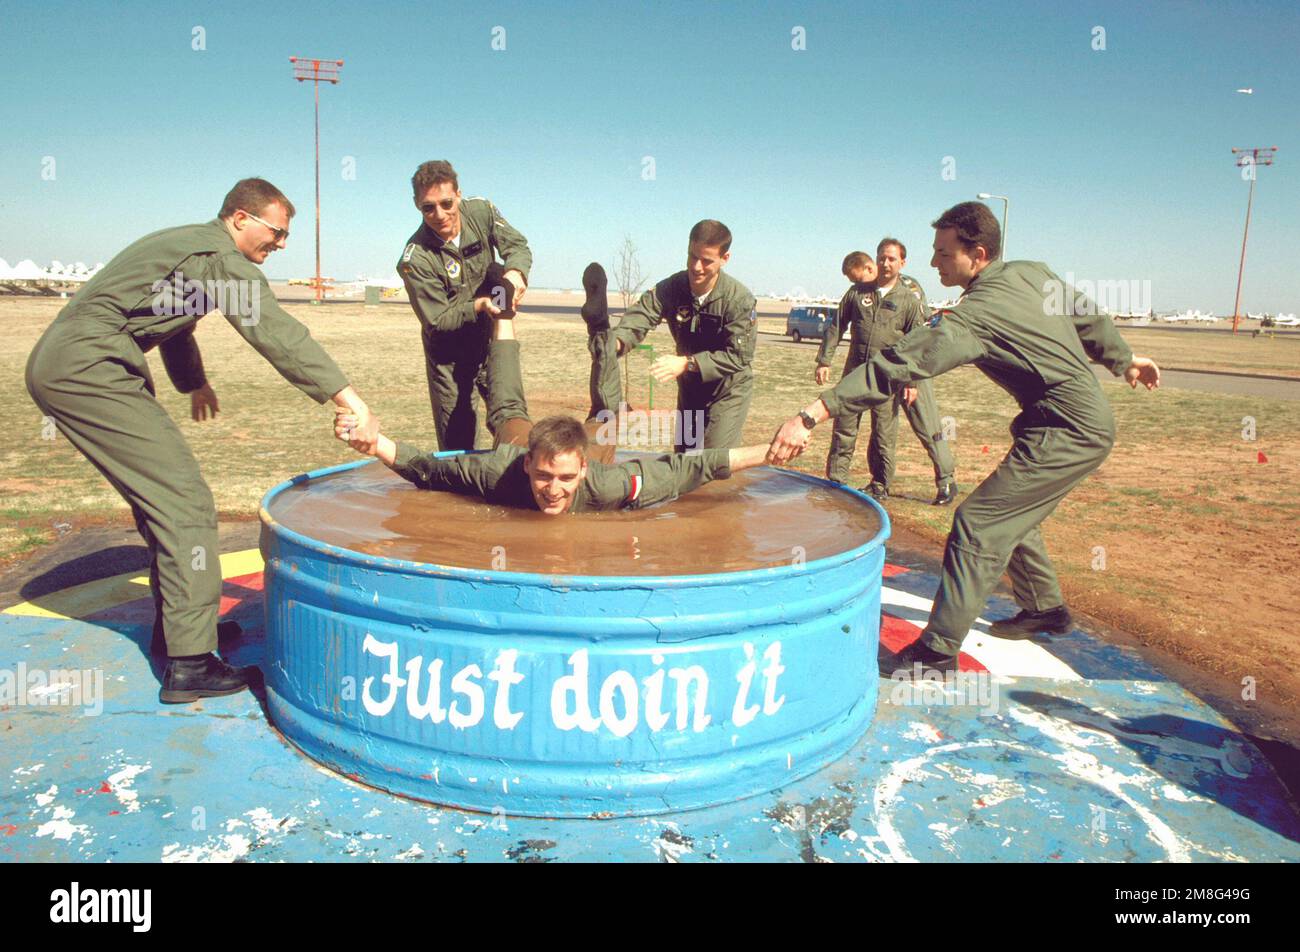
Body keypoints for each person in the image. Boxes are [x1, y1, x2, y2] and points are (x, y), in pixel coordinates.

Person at [26, 178, 380, 703]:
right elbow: (273, 329)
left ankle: (179, 632)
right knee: (184, 501)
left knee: (160, 500)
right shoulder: (215, 253)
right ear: (241, 217)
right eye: (277, 232)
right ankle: (190, 663)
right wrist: (349, 400)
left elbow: (174, 324)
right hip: (88, 367)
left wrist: (194, 384)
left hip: (80, 361)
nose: (281, 245)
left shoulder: (193, 251)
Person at [768, 202, 1161, 673]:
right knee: (1012, 510)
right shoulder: (1031, 274)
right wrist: (1125, 360)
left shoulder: (975, 316)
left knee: (978, 523)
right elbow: (1088, 315)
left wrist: (811, 415)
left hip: (1069, 428)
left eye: (943, 253)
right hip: (1059, 421)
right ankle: (1044, 608)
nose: (934, 263)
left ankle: (936, 653)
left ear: (976, 253)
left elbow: (896, 364)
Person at [336, 305, 773, 514]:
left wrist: (766, 452)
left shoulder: (607, 484)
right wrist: (375, 443)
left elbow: (687, 469)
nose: (553, 489)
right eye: (544, 476)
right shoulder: (498, 470)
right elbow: (429, 470)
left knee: (607, 416)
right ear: (528, 467)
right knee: (507, 409)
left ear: (581, 470)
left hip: (581, 443)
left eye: (565, 478)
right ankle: (504, 316)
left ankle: (602, 331)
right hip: (520, 443)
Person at [397, 160, 532, 451]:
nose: (440, 214)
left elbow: (517, 246)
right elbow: (437, 320)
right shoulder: (415, 259)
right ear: (416, 205)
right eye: (428, 207)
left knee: (512, 424)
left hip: (488, 341)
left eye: (447, 203)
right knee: (459, 448)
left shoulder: (481, 212)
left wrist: (515, 272)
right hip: (449, 355)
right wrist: (479, 305)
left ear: (458, 194)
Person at [815, 240, 958, 505]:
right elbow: (836, 325)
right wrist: (824, 359)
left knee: (919, 427)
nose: (885, 263)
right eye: (882, 258)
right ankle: (837, 480)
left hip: (897, 373)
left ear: (902, 262)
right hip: (858, 371)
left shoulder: (909, 295)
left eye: (891, 259)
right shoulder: (858, 292)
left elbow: (921, 337)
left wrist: (912, 379)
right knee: (844, 426)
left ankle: (944, 480)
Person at [609, 220, 757, 453]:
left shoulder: (739, 300)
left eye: (707, 261)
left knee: (712, 459)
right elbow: (643, 313)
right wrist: (616, 342)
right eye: (692, 257)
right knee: (685, 460)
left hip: (727, 390)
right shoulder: (672, 288)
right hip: (691, 387)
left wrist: (688, 363)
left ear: (724, 259)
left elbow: (738, 357)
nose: (697, 267)